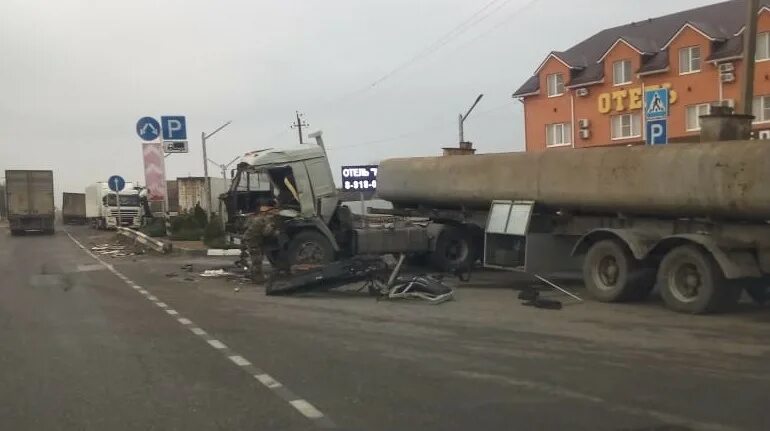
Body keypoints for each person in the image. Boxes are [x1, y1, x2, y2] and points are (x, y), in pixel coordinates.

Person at [243, 205, 281, 282]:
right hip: (253, 241)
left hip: (252, 239)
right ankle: (257, 278)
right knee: (257, 260)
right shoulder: (265, 221)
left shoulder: (259, 218)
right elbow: (265, 233)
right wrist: (273, 228)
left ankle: (253, 275)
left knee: (256, 259)